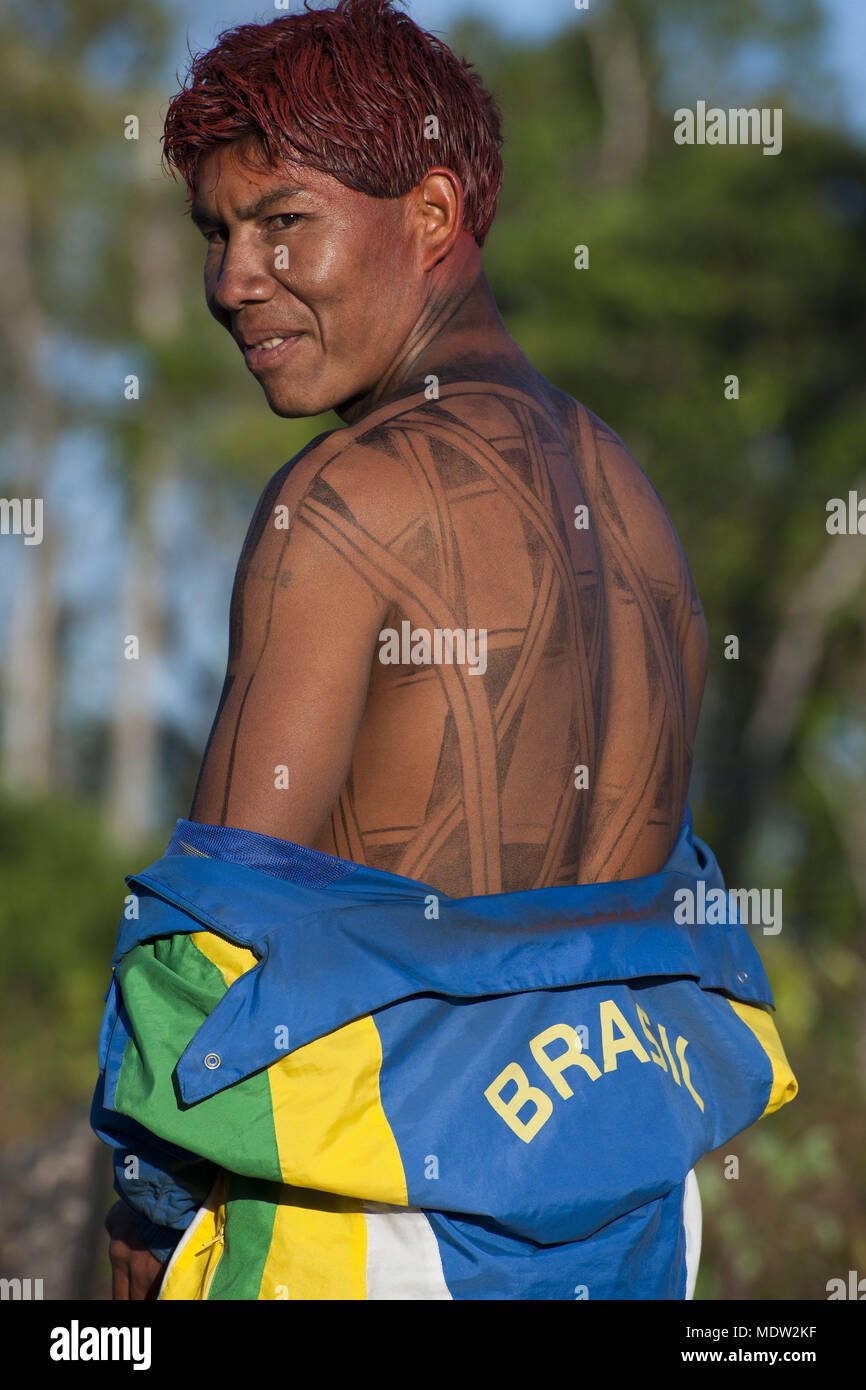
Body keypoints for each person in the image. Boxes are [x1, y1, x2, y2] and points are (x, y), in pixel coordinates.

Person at [103, 0, 712, 1299]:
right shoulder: (637, 497)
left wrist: (145, 1210)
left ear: (430, 217)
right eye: (215, 233)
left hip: (376, 1219)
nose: (230, 281)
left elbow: (221, 923)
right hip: (634, 1207)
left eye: (280, 223)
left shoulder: (345, 494)